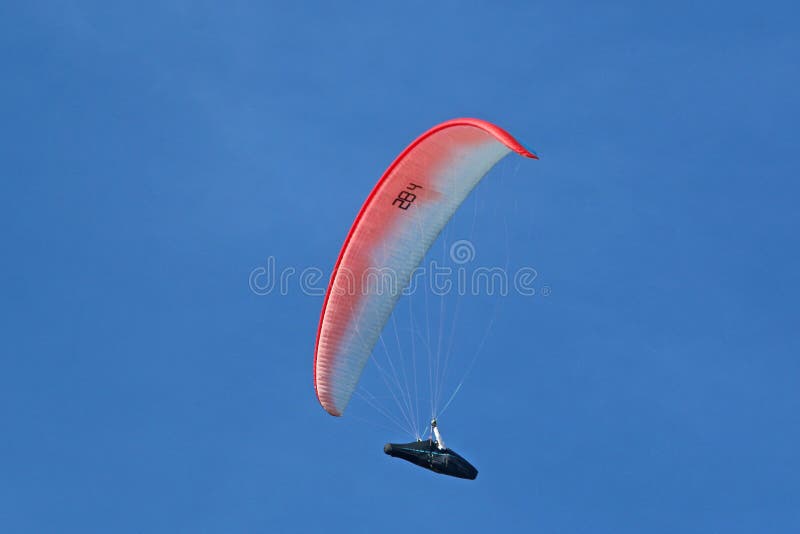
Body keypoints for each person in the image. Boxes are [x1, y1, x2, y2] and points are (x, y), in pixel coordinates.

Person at [383, 419, 478, 480]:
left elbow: (437, 441)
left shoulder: (437, 449)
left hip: (435, 463)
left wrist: (419, 443)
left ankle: (393, 450)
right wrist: (434, 427)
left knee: (408, 453)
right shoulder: (442, 449)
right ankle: (393, 449)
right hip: (442, 462)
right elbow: (439, 440)